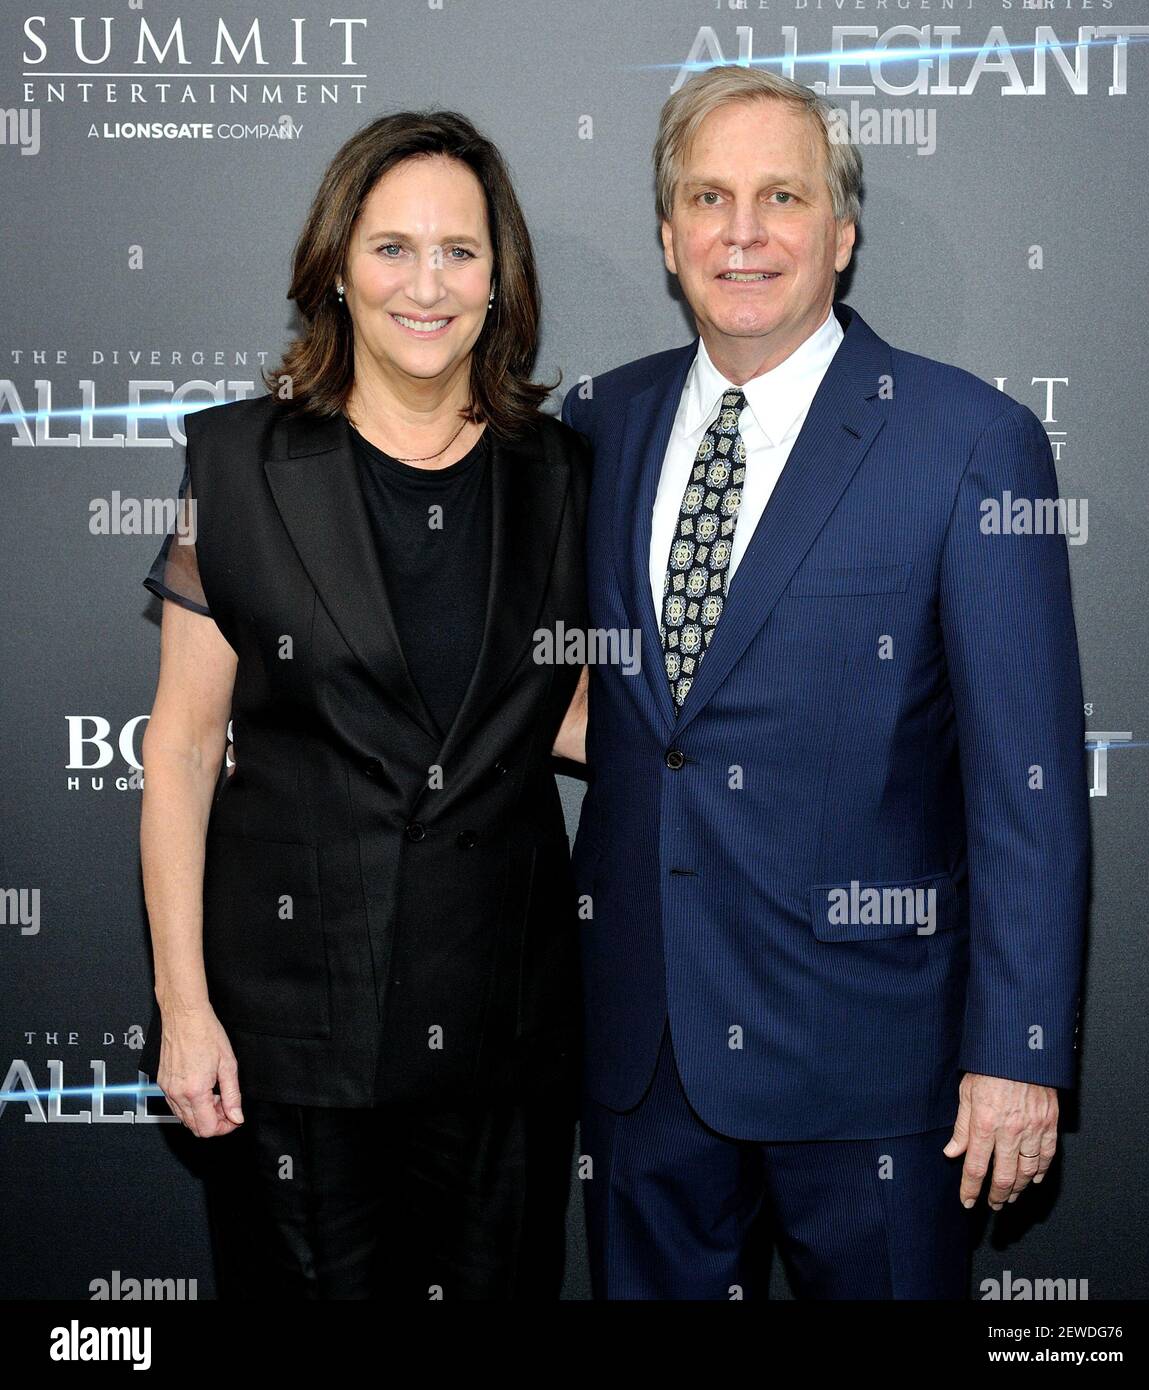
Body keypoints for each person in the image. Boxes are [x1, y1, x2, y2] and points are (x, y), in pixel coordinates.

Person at [560, 65, 1090, 1300]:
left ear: (841, 234)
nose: (742, 233)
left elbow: (1030, 783)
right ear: (667, 232)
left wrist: (1018, 1051)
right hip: (645, 1059)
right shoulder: (596, 425)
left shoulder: (967, 442)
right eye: (709, 197)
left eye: (782, 196)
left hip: (876, 1072)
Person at [139, 109, 590, 1300]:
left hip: (502, 1040)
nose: (426, 285)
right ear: (337, 267)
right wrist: (184, 1008)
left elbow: (580, 712)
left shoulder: (561, 476)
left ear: (501, 282)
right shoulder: (236, 468)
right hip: (295, 1036)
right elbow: (181, 749)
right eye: (393, 248)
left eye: (460, 251)